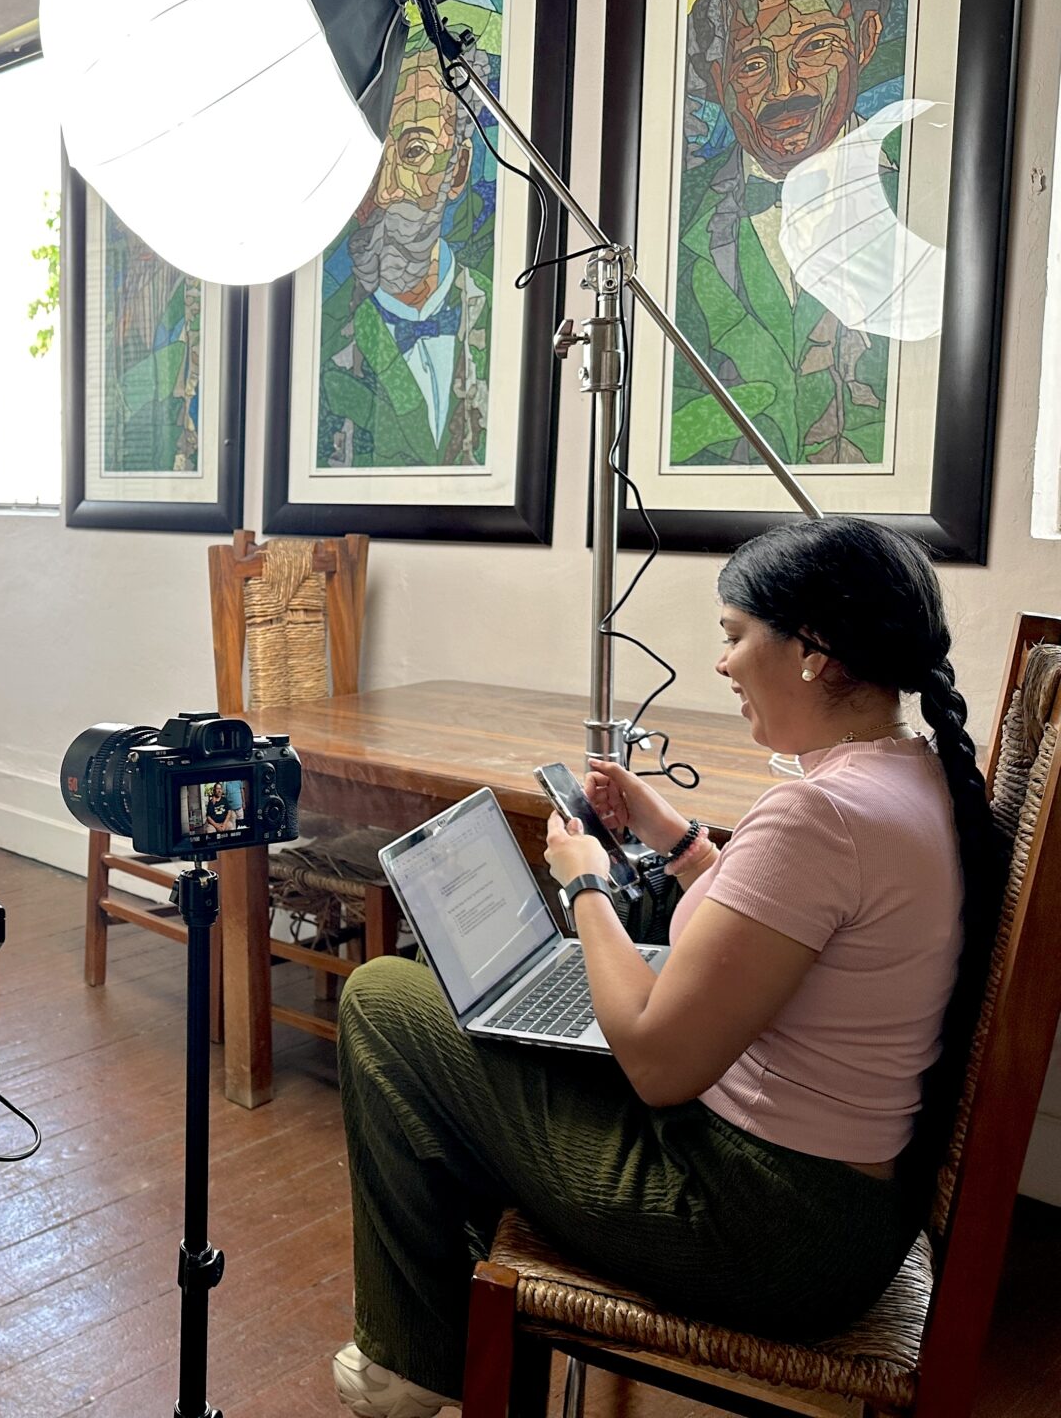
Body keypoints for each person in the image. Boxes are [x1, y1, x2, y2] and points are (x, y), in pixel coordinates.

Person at [331, 517, 1000, 1415]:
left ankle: (416, 1364)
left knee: (384, 999)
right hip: (832, 1207)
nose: (721, 665)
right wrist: (673, 838)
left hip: (759, 1226)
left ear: (811, 650)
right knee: (500, 1040)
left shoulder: (821, 814)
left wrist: (587, 890)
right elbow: (781, 934)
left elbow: (655, 1059)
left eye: (733, 637)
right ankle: (438, 1338)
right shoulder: (908, 777)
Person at [677, 0, 904, 465]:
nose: (784, 86)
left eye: (815, 46)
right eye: (753, 63)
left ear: (865, 38)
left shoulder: (920, 199)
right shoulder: (677, 217)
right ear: (720, 78)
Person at [327, 43, 492, 469]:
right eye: (369, 161)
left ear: (457, 170)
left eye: (414, 152)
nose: (384, 190)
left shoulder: (498, 312)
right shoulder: (330, 333)